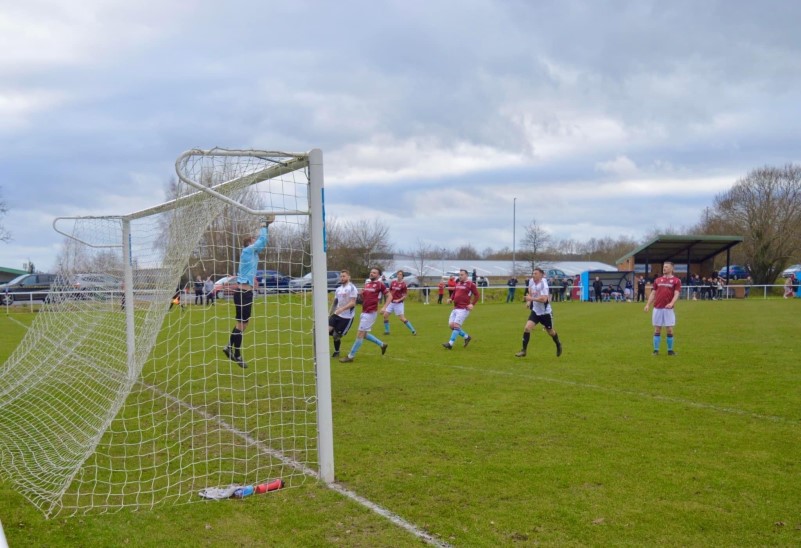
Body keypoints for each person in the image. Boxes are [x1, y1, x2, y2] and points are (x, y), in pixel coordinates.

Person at [222, 215, 273, 368]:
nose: (256, 243)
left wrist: (267, 226)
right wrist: (263, 225)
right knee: (241, 325)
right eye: (253, 241)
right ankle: (236, 354)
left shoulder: (252, 254)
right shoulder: (248, 251)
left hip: (246, 294)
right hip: (243, 294)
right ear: (250, 243)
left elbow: (262, 243)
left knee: (244, 323)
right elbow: (261, 241)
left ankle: (229, 347)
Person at [340, 267, 390, 363]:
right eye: (371, 272)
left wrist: (384, 307)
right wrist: (361, 294)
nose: (372, 273)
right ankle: (382, 344)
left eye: (374, 273)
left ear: (378, 275)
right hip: (364, 311)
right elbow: (363, 298)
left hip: (370, 313)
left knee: (360, 334)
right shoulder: (367, 284)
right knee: (364, 334)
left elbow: (389, 296)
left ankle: (350, 356)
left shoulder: (380, 284)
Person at [515, 267, 562, 358]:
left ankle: (558, 343)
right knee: (527, 328)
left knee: (550, 332)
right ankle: (524, 350)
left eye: (535, 273)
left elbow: (544, 299)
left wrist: (531, 299)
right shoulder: (531, 281)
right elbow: (530, 291)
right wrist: (529, 301)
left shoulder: (544, 284)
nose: (533, 275)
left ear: (541, 275)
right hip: (536, 311)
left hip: (545, 313)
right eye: (533, 273)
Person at [644, 261, 681, 356]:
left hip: (668, 309)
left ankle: (670, 351)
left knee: (669, 329)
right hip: (657, 308)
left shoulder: (676, 280)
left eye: (667, 267)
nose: (664, 268)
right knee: (657, 329)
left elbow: (676, 294)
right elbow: (653, 293)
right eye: (664, 267)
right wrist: (648, 304)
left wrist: (671, 303)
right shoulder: (657, 280)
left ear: (672, 269)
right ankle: (656, 350)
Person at [442, 269, 480, 350]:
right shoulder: (458, 283)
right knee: (451, 326)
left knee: (456, 326)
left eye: (462, 275)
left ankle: (450, 344)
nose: (460, 276)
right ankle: (467, 337)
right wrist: (451, 299)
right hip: (456, 308)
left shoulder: (471, 284)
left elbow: (477, 295)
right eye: (459, 275)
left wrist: (472, 304)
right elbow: (454, 292)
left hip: (464, 309)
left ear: (466, 275)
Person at [329, 269, 358, 358]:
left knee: (336, 336)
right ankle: (322, 352)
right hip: (336, 314)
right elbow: (335, 302)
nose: (342, 278)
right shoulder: (338, 289)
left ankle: (337, 352)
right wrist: (330, 313)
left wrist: (342, 309)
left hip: (347, 317)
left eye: (344, 276)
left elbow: (353, 303)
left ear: (349, 277)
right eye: (341, 276)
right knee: (326, 331)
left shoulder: (352, 288)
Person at [383, 270, 417, 336]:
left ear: (402, 276)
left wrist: (398, 300)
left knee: (402, 318)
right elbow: (390, 291)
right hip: (391, 302)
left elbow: (405, 295)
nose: (399, 275)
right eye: (398, 274)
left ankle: (413, 330)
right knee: (385, 315)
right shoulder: (393, 282)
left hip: (398, 304)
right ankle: (387, 331)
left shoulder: (404, 285)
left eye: (400, 274)